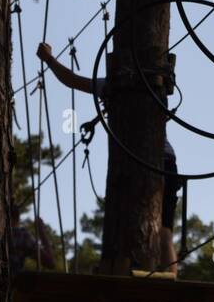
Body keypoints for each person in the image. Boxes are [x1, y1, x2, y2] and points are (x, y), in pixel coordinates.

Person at [35, 42, 184, 276]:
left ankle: (127, 267)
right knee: (164, 230)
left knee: (130, 222)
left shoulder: (115, 85)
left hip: (139, 161)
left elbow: (73, 80)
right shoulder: (155, 85)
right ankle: (168, 281)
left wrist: (49, 60)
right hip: (168, 161)